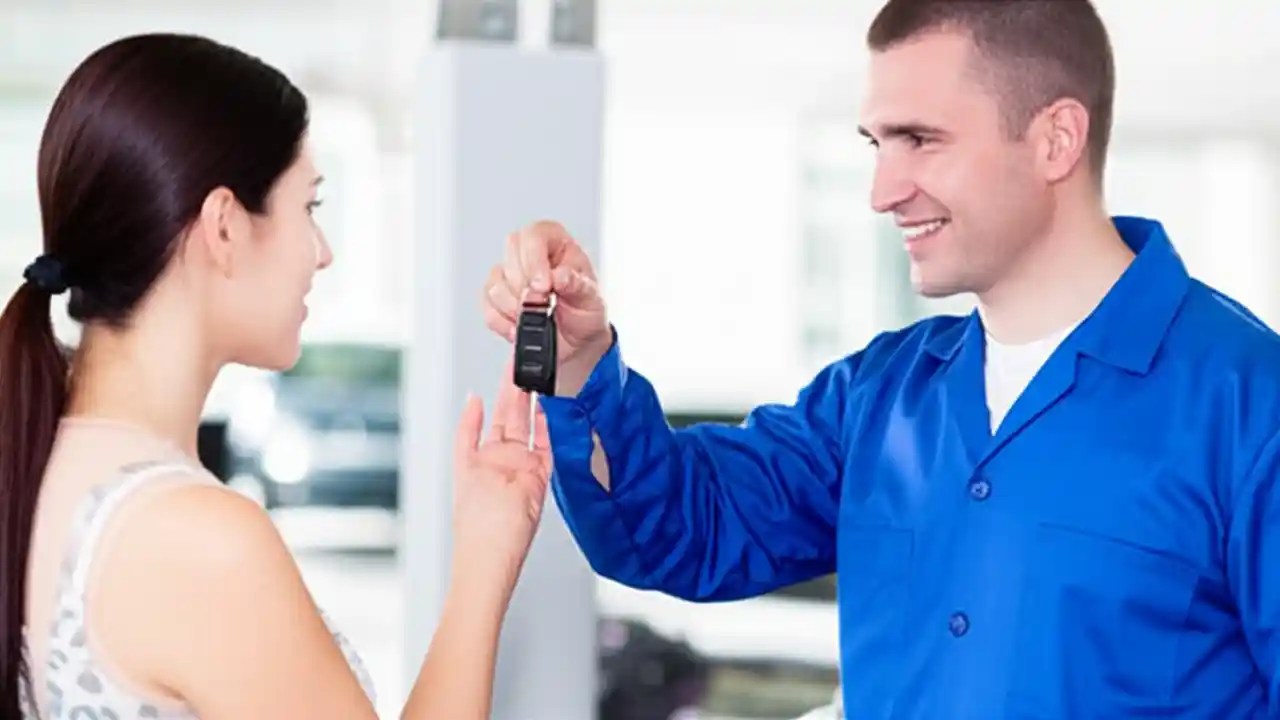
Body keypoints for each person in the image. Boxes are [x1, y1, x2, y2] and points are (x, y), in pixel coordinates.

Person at [482, 0, 1280, 717]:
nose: (882, 190)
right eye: (876, 143)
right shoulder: (879, 398)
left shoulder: (1250, 405)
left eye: (920, 141)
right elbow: (682, 528)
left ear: (1055, 140)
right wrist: (582, 361)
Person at [0, 33, 551, 719]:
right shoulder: (197, 541)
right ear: (225, 226)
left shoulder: (36, 457)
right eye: (309, 207)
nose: (322, 253)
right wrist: (486, 556)